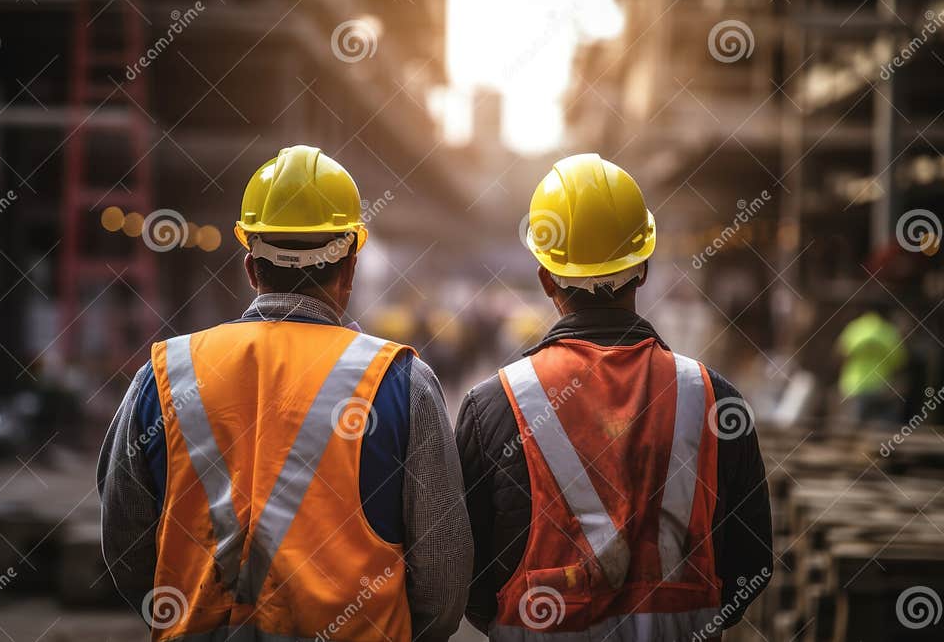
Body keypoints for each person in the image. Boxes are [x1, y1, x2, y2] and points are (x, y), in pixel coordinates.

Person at [98, 145, 472, 641]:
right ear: (349, 270)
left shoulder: (165, 374)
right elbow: (443, 580)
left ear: (251, 268)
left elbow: (125, 542)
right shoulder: (401, 383)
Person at [455, 154, 772, 640]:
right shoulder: (714, 400)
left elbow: (464, 579)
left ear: (545, 278)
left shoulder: (493, 405)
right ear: (642, 269)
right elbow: (751, 566)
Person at [836, 309, 907, 426]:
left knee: (852, 429)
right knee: (879, 428)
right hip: (880, 387)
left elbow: (840, 353)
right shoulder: (889, 332)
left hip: (854, 386)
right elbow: (900, 363)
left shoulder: (854, 328)